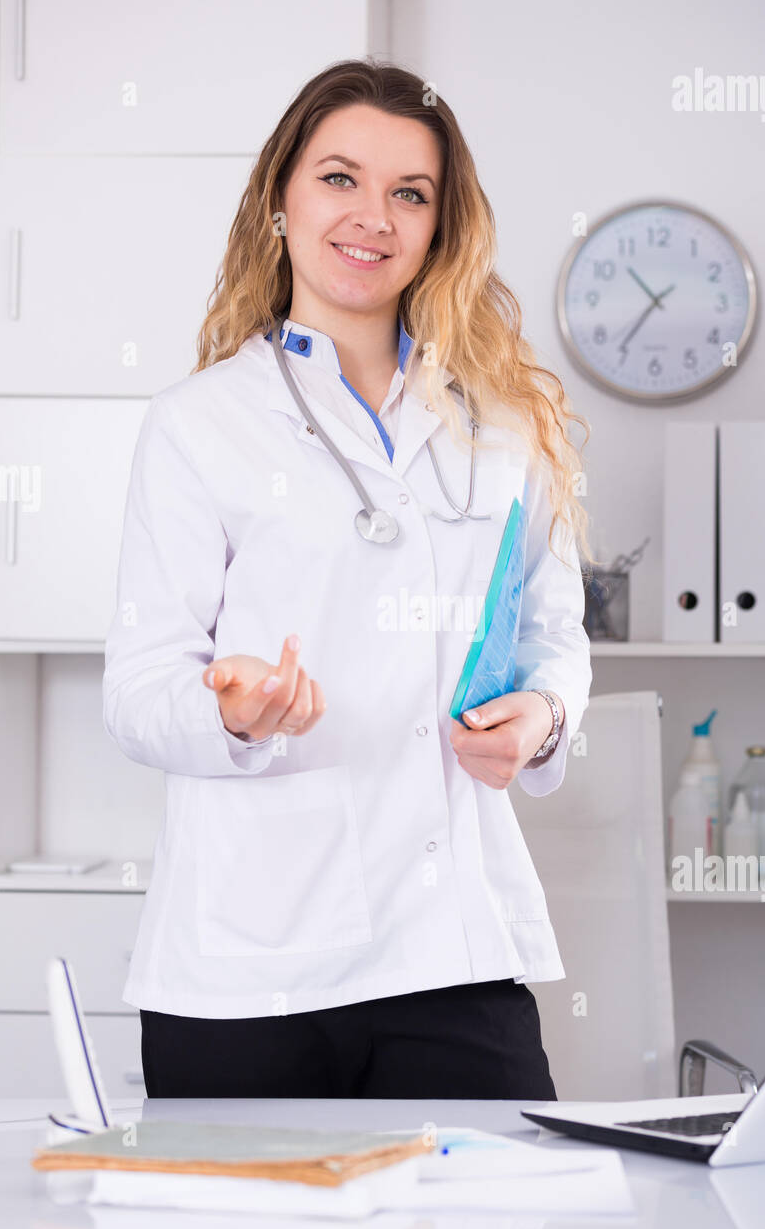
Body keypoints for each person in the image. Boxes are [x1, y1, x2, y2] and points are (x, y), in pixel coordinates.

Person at [102, 59, 595, 1100]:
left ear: (437, 226)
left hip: (452, 955)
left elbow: (555, 634)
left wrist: (542, 717)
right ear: (280, 198)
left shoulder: (502, 424)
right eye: (339, 178)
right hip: (246, 970)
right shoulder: (198, 426)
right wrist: (232, 712)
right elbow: (141, 691)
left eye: (408, 193)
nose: (372, 215)